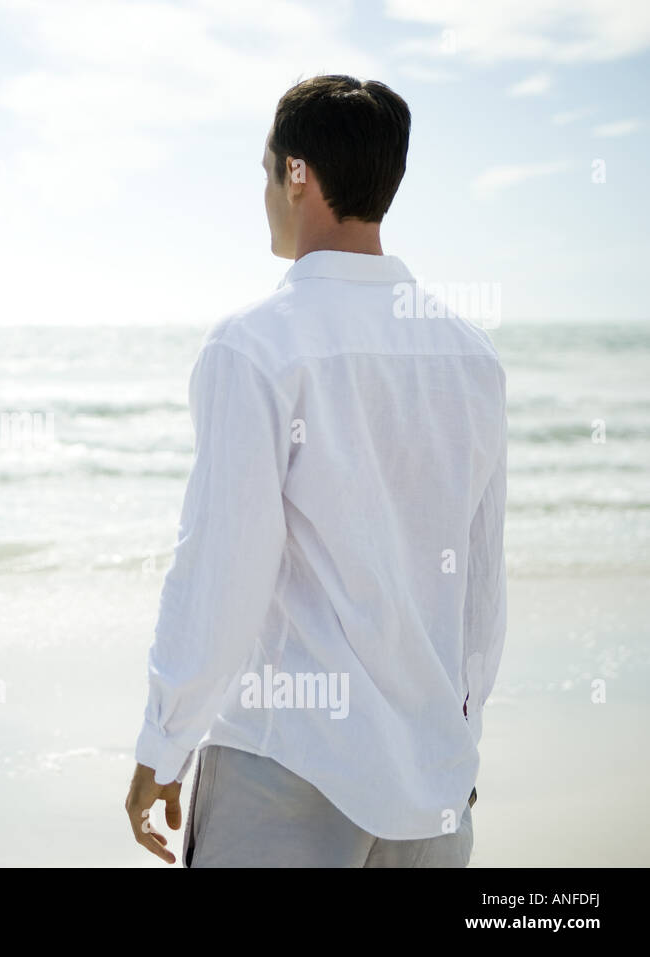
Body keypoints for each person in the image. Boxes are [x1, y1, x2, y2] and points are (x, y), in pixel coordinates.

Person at [124, 74, 508, 867]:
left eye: (268, 168)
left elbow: (222, 570)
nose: (263, 191)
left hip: (286, 769)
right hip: (431, 786)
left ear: (296, 173)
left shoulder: (256, 346)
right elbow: (480, 587)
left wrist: (164, 742)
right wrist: (458, 740)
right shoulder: (471, 358)